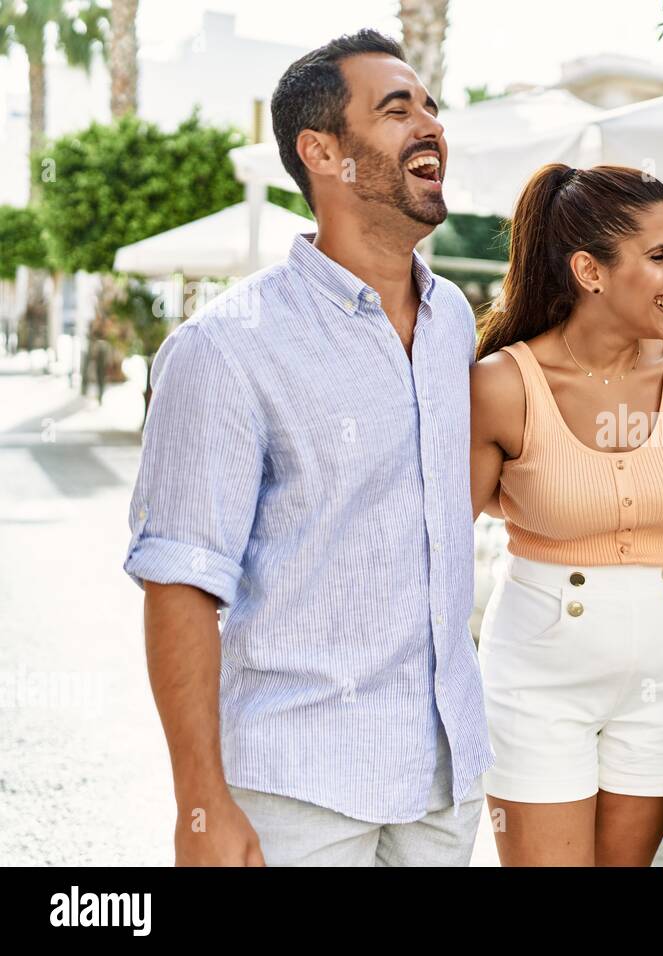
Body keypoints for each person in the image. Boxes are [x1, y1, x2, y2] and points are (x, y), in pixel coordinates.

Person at [123, 30, 493, 866]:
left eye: (430, 107)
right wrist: (200, 805)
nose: (430, 125)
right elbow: (180, 583)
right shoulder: (224, 348)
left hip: (445, 779)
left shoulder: (452, 323)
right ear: (322, 152)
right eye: (396, 110)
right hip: (297, 787)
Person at [469, 163, 663, 865]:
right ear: (589, 271)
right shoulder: (501, 387)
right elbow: (436, 547)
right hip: (535, 678)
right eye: (660, 255)